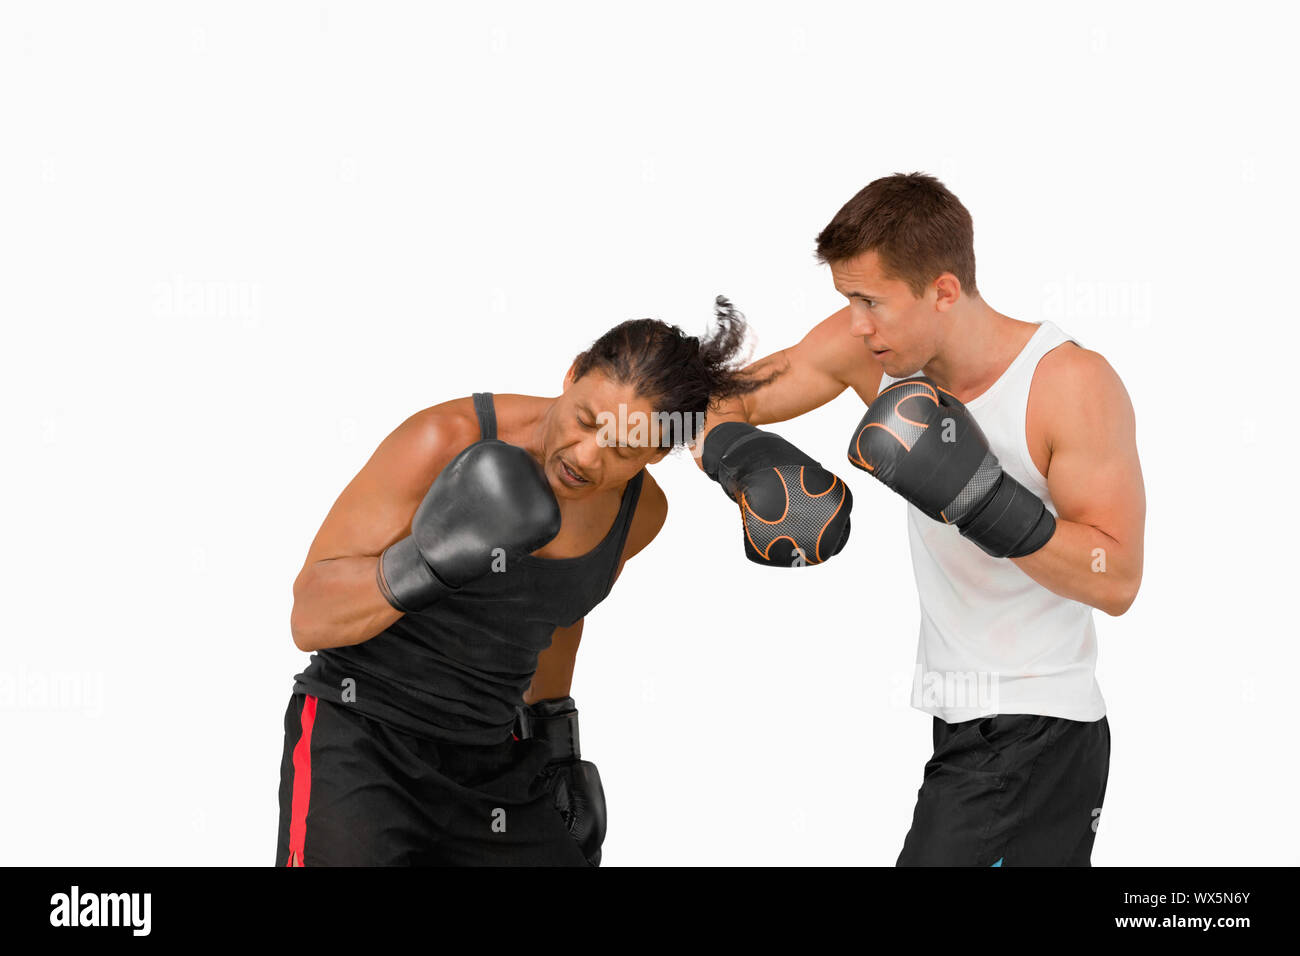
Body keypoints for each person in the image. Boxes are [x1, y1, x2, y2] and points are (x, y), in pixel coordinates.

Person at [276, 298, 845, 865]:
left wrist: (556, 745)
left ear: (658, 451)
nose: (587, 456)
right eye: (586, 419)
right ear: (572, 373)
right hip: (360, 736)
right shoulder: (443, 440)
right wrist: (425, 561)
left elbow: (559, 616)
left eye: (624, 447)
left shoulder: (639, 516)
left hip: (491, 756)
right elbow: (309, 619)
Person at [698, 172, 1145, 866]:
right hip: (960, 724)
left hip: (1039, 728)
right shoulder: (870, 353)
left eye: (872, 301)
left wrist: (979, 498)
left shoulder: (1067, 384)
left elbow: (1116, 578)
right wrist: (745, 462)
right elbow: (723, 402)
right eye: (848, 299)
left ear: (943, 290)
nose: (856, 324)